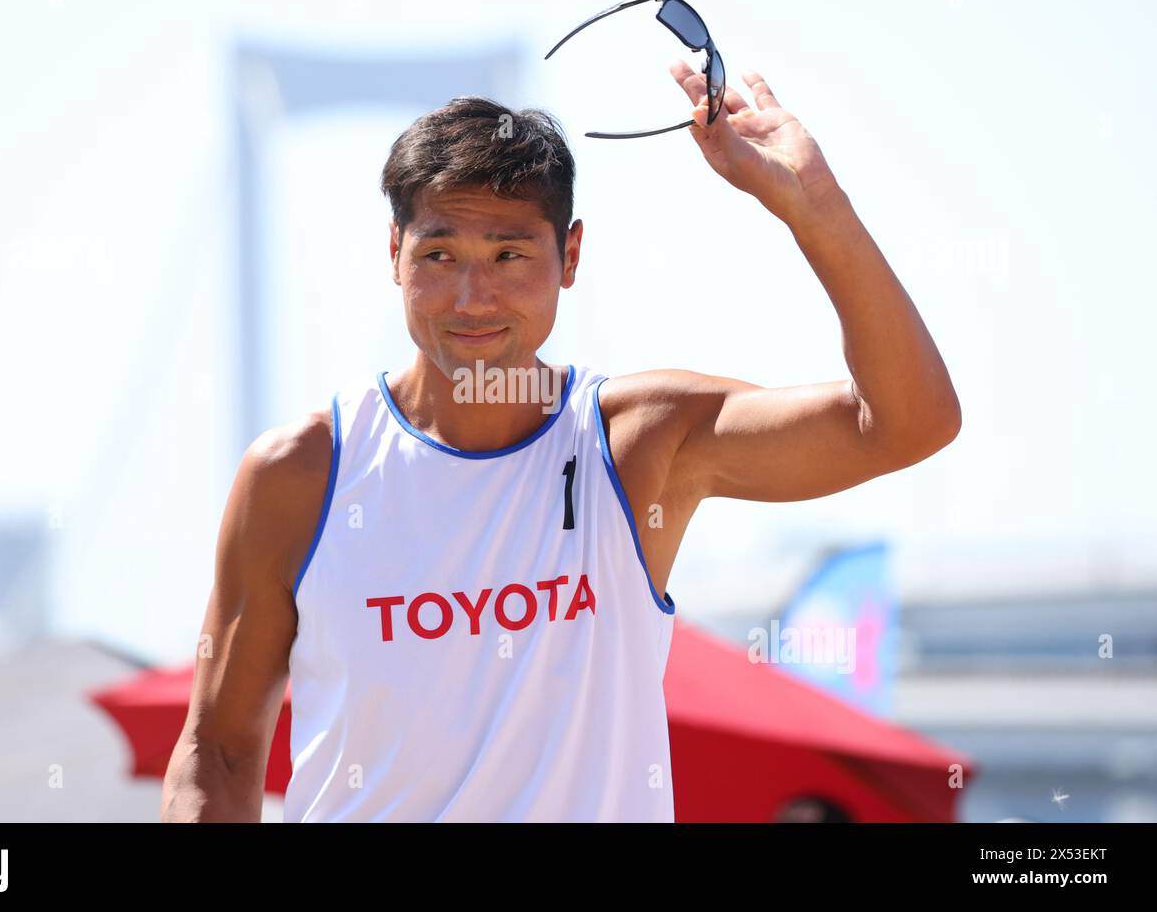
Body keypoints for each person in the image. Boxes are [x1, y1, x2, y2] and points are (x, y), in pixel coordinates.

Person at [160, 64, 961, 822]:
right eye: (439, 254)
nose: (473, 296)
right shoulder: (302, 472)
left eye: (509, 254)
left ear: (569, 255)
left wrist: (815, 204)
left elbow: (905, 422)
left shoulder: (636, 445)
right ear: (393, 256)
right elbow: (218, 750)